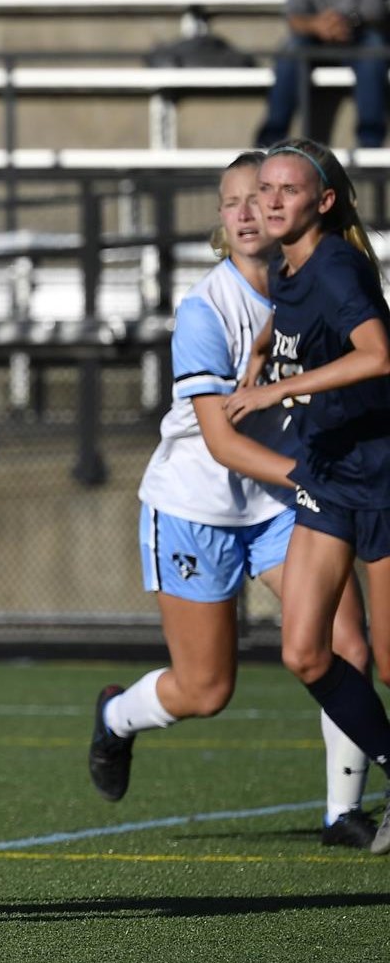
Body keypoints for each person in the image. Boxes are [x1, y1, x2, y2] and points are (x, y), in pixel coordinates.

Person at [89, 150, 378, 848]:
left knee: (346, 646)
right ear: (221, 218)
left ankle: (344, 814)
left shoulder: (304, 282)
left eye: (265, 196)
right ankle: (116, 717)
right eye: (235, 201)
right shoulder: (205, 310)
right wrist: (318, 480)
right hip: (199, 507)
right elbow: (223, 443)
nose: (252, 211)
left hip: (280, 500)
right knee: (206, 689)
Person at [224, 137, 390, 856]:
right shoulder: (289, 268)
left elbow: (379, 353)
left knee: (387, 656)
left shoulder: (337, 265)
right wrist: (261, 351)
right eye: (265, 189)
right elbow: (289, 314)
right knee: (305, 651)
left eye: (287, 190)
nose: (269, 201)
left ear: (323, 201)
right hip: (326, 472)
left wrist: (278, 386)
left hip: (380, 474)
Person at [255, 0, 389, 150]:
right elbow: (295, 16)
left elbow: (375, 11)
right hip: (312, 35)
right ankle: (271, 141)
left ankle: (370, 144)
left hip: (360, 34)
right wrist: (317, 25)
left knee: (374, 49)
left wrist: (344, 22)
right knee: (291, 52)